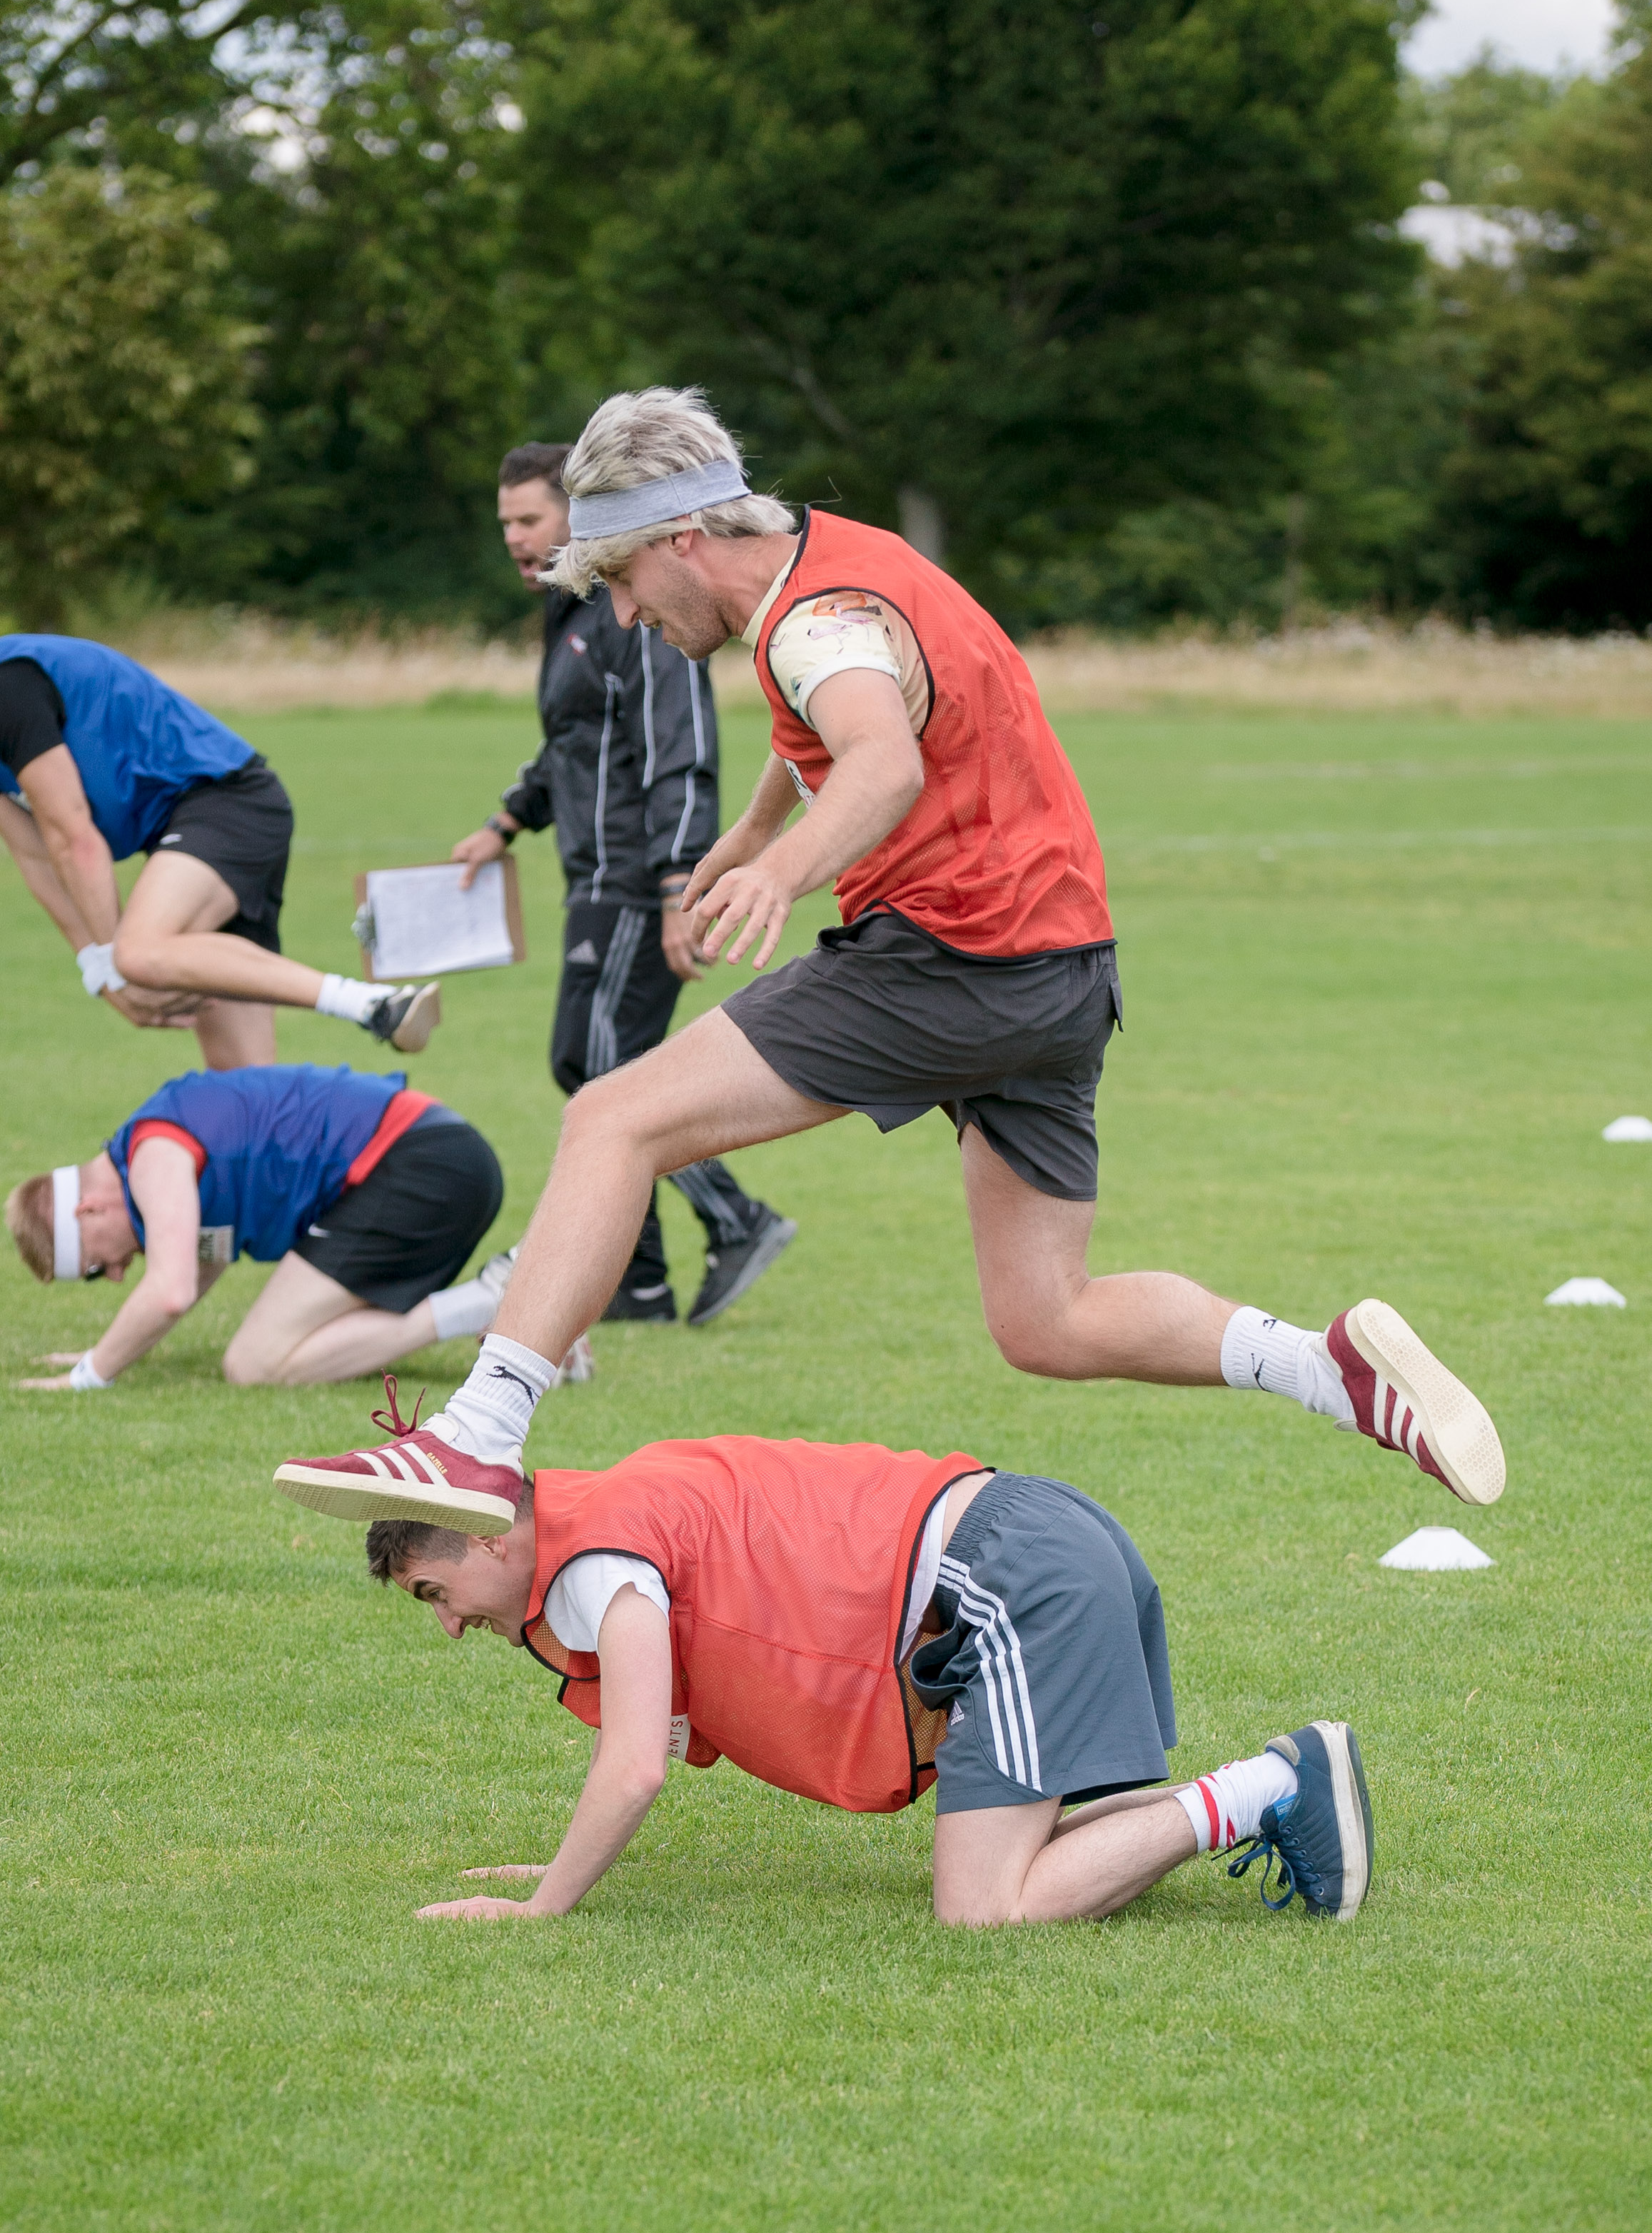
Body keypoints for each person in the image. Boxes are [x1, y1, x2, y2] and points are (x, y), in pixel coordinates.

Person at [271, 386, 1506, 1537]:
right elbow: (838, 714)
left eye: (624, 581)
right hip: (1060, 968)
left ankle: (478, 1439)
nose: (628, 617)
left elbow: (877, 757)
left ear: (685, 535)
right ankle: (1324, 1365)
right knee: (1045, 1317)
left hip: (950, 955)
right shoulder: (828, 563)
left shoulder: (816, 625)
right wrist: (751, 826)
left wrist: (778, 871)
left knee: (611, 1117)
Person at [355, 1431, 1374, 1928]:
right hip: (1024, 1539)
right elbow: (657, 1727)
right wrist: (567, 1870)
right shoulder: (613, 1500)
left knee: (983, 1910)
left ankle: (1273, 1786)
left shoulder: (593, 1564)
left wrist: (541, 1916)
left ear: (489, 1542)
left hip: (1006, 1580)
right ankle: (1269, 1789)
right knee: (1019, 1850)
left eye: (435, 1592)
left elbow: (634, 1767)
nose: (449, 1625)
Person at [448, 443, 794, 1328]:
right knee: (599, 1063)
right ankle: (637, 1286)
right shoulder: (568, 618)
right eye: (505, 527)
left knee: (600, 1066)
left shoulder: (639, 616)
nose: (516, 540)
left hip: (638, 879)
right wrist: (504, 823)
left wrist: (682, 879)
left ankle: (735, 1218)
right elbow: (571, 741)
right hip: (592, 879)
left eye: (529, 520)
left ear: (579, 514)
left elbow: (681, 749)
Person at [0, 634, 439, 1069]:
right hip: (187, 825)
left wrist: (115, 966)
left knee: (138, 952)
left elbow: (74, 840)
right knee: (243, 1084)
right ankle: (370, 1012)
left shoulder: (9, 685)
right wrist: (98, 973)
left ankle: (373, 1005)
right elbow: (36, 855)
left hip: (227, 802)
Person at [1, 1062, 578, 1391]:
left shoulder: (153, 1157)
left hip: (419, 1167)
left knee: (255, 1364)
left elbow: (170, 1289)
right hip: (438, 1161)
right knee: (287, 1346)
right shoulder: (151, 1143)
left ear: (89, 1211)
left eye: (100, 1266)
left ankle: (490, 1301)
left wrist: (88, 1376)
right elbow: (203, 1260)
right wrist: (106, 1351)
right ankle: (543, 1340)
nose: (119, 1273)